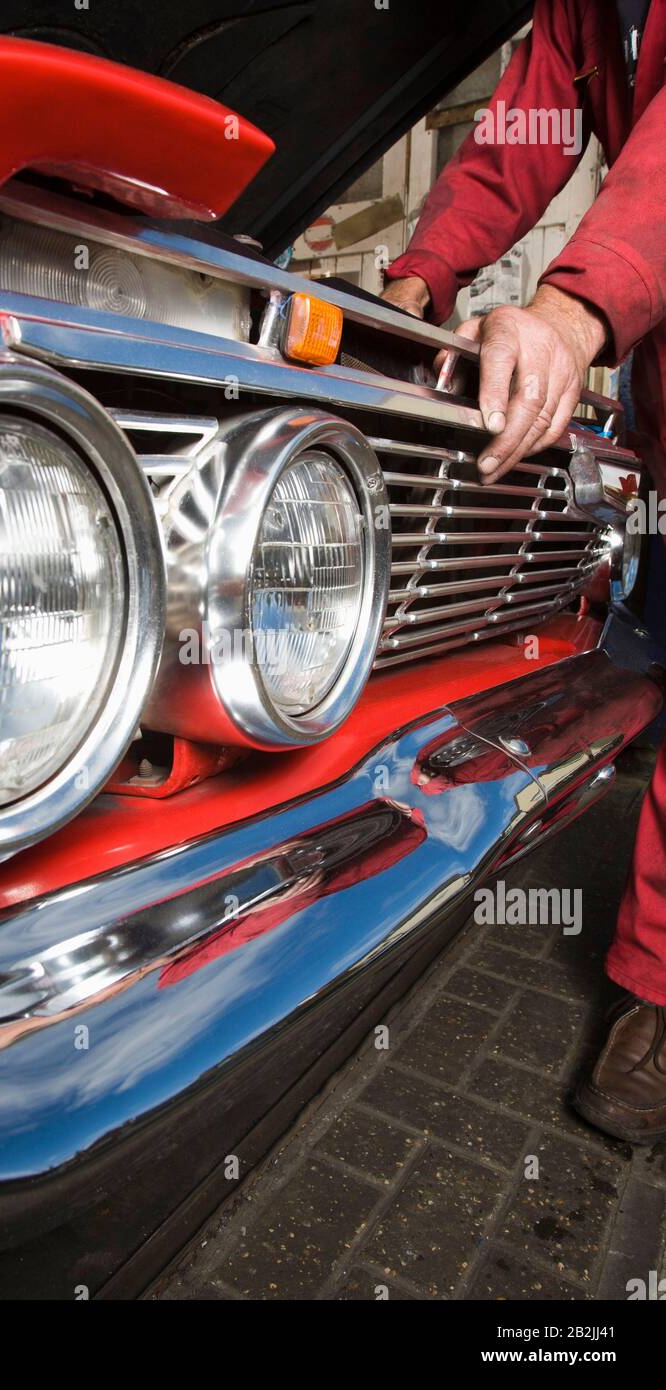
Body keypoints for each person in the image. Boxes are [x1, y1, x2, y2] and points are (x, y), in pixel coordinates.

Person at [381, 0, 666, 1143]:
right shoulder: (579, 7)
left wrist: (571, 305)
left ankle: (653, 991)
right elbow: (515, 142)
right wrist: (416, 278)